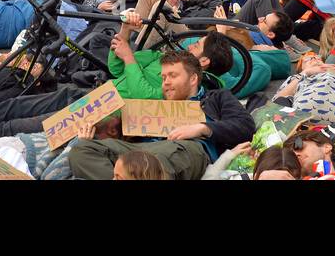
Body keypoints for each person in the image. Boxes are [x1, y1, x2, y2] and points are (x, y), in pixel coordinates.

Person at [68, 50, 254, 180]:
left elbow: (245, 126)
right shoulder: (156, 103)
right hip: (143, 150)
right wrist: (107, 132)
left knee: (154, 164)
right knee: (82, 150)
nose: (165, 82)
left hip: (185, 148)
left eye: (173, 76)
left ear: (193, 79)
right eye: (164, 77)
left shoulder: (216, 97)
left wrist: (202, 128)